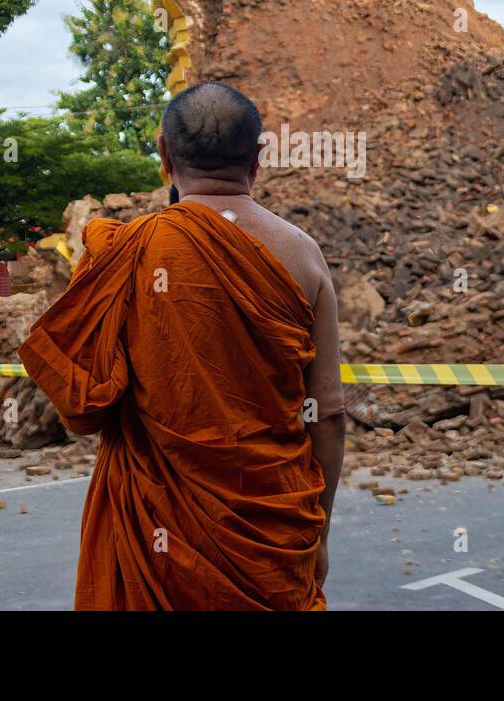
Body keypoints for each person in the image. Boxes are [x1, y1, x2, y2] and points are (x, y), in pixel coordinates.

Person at [20, 82, 345, 610]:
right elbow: (327, 413)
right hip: (271, 536)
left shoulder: (128, 252)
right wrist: (321, 533)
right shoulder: (303, 255)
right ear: (257, 159)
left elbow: (84, 406)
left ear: (164, 154)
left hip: (154, 530)